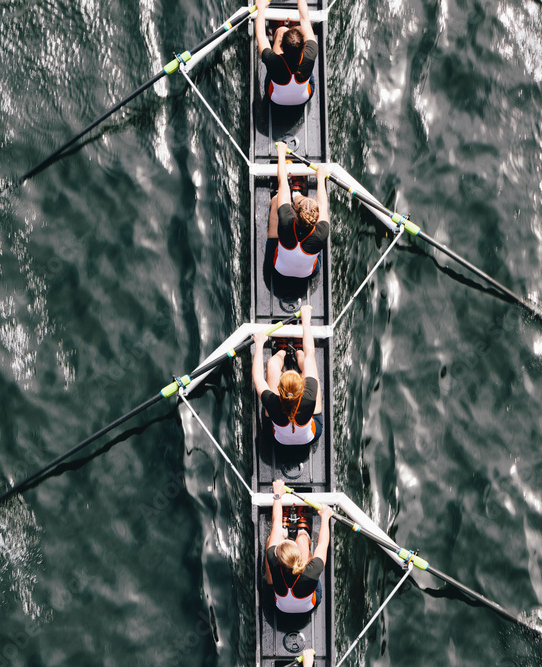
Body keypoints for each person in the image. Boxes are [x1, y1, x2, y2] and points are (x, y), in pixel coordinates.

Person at [253, 304, 323, 446]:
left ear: (278, 388)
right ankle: (298, 351)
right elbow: (310, 354)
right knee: (307, 361)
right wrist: (306, 322)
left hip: (277, 439)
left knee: (272, 364)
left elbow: (258, 377)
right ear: (302, 388)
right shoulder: (309, 396)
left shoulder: (272, 402)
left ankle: (281, 351)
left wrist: (259, 344)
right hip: (310, 436)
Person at [265, 479, 332, 613]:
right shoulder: (312, 570)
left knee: (270, 540)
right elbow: (322, 544)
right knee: (302, 541)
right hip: (309, 604)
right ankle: (302, 531)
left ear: (278, 560)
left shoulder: (272, 557)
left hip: (280, 606)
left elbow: (276, 523)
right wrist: (325, 517)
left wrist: (278, 496)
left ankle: (284, 531)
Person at [266, 141, 329, 280]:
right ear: (316, 219)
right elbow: (323, 205)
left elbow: (282, 183)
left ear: (295, 212)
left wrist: (281, 154)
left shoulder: (286, 219)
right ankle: (297, 194)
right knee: (316, 245)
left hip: (278, 269)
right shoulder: (323, 231)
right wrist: (321, 179)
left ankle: (293, 195)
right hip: (309, 273)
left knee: (276, 200)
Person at [255, 0, 319, 106]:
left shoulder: (272, 60)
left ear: (281, 46)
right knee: (300, 28)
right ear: (303, 46)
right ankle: (295, 28)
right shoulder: (312, 50)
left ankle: (280, 29)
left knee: (281, 31)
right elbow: (305, 20)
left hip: (275, 99)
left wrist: (261, 7)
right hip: (304, 98)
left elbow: (260, 35)